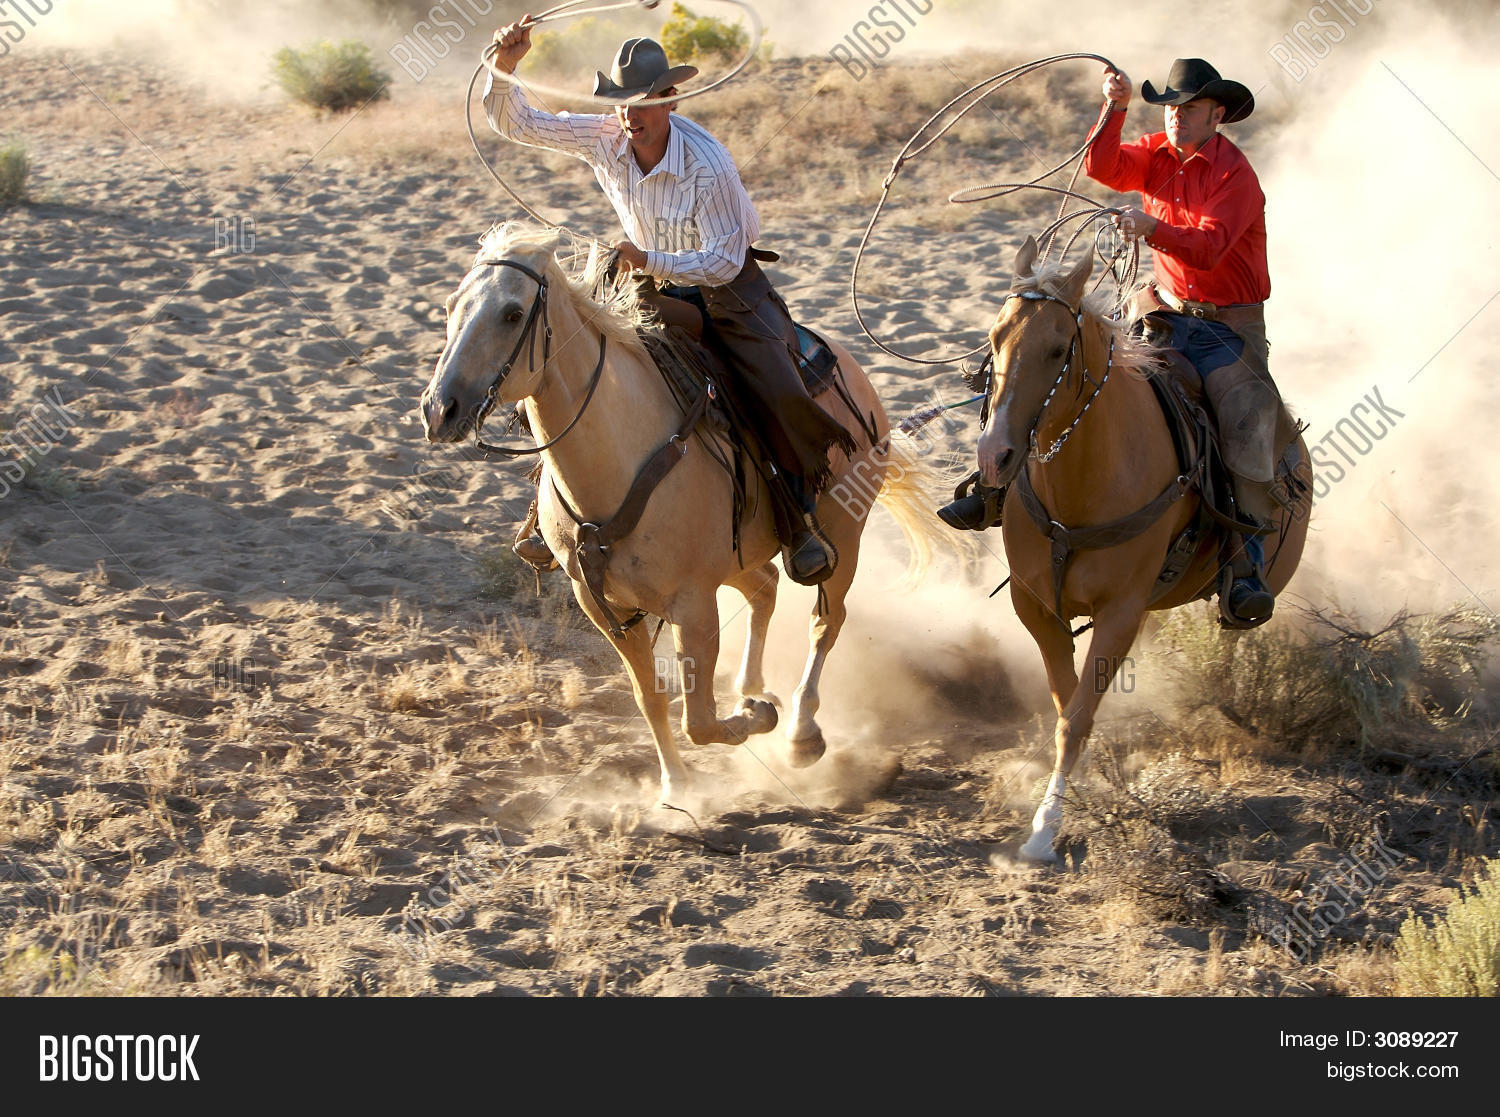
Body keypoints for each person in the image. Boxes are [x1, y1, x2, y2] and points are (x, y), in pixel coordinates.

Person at [484, 18, 855, 586]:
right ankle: (545, 506)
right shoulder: (606, 137)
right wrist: (505, 67)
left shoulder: (708, 165)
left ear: (669, 100)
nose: (630, 114)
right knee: (568, 352)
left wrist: (648, 261)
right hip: (646, 278)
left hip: (726, 290)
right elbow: (518, 123)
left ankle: (797, 515)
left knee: (768, 384)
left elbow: (724, 261)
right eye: (621, 103)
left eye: (644, 102)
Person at [940, 57, 1280, 626]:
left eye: (1189, 108)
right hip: (1161, 308)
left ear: (1217, 114)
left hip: (1228, 327)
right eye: (1170, 107)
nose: (1176, 117)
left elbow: (1211, 247)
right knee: (1051, 362)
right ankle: (993, 488)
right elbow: (1105, 165)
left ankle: (1245, 565)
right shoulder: (1157, 152)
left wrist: (1154, 229)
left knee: (1245, 413)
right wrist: (1116, 107)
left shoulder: (1235, 175)